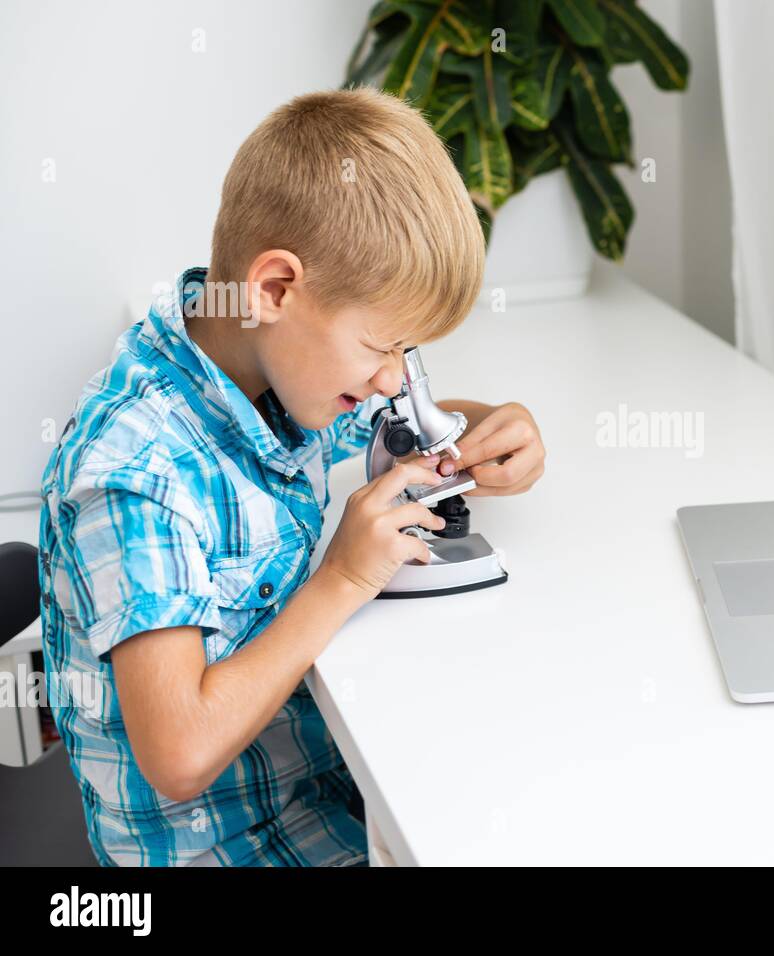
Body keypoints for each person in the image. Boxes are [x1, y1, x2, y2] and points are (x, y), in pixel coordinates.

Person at [39, 89, 546, 866]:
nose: (391, 380)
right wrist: (344, 576)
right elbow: (179, 754)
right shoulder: (136, 471)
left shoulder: (264, 359)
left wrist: (484, 429)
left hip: (318, 789)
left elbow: (396, 418)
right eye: (383, 348)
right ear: (275, 287)